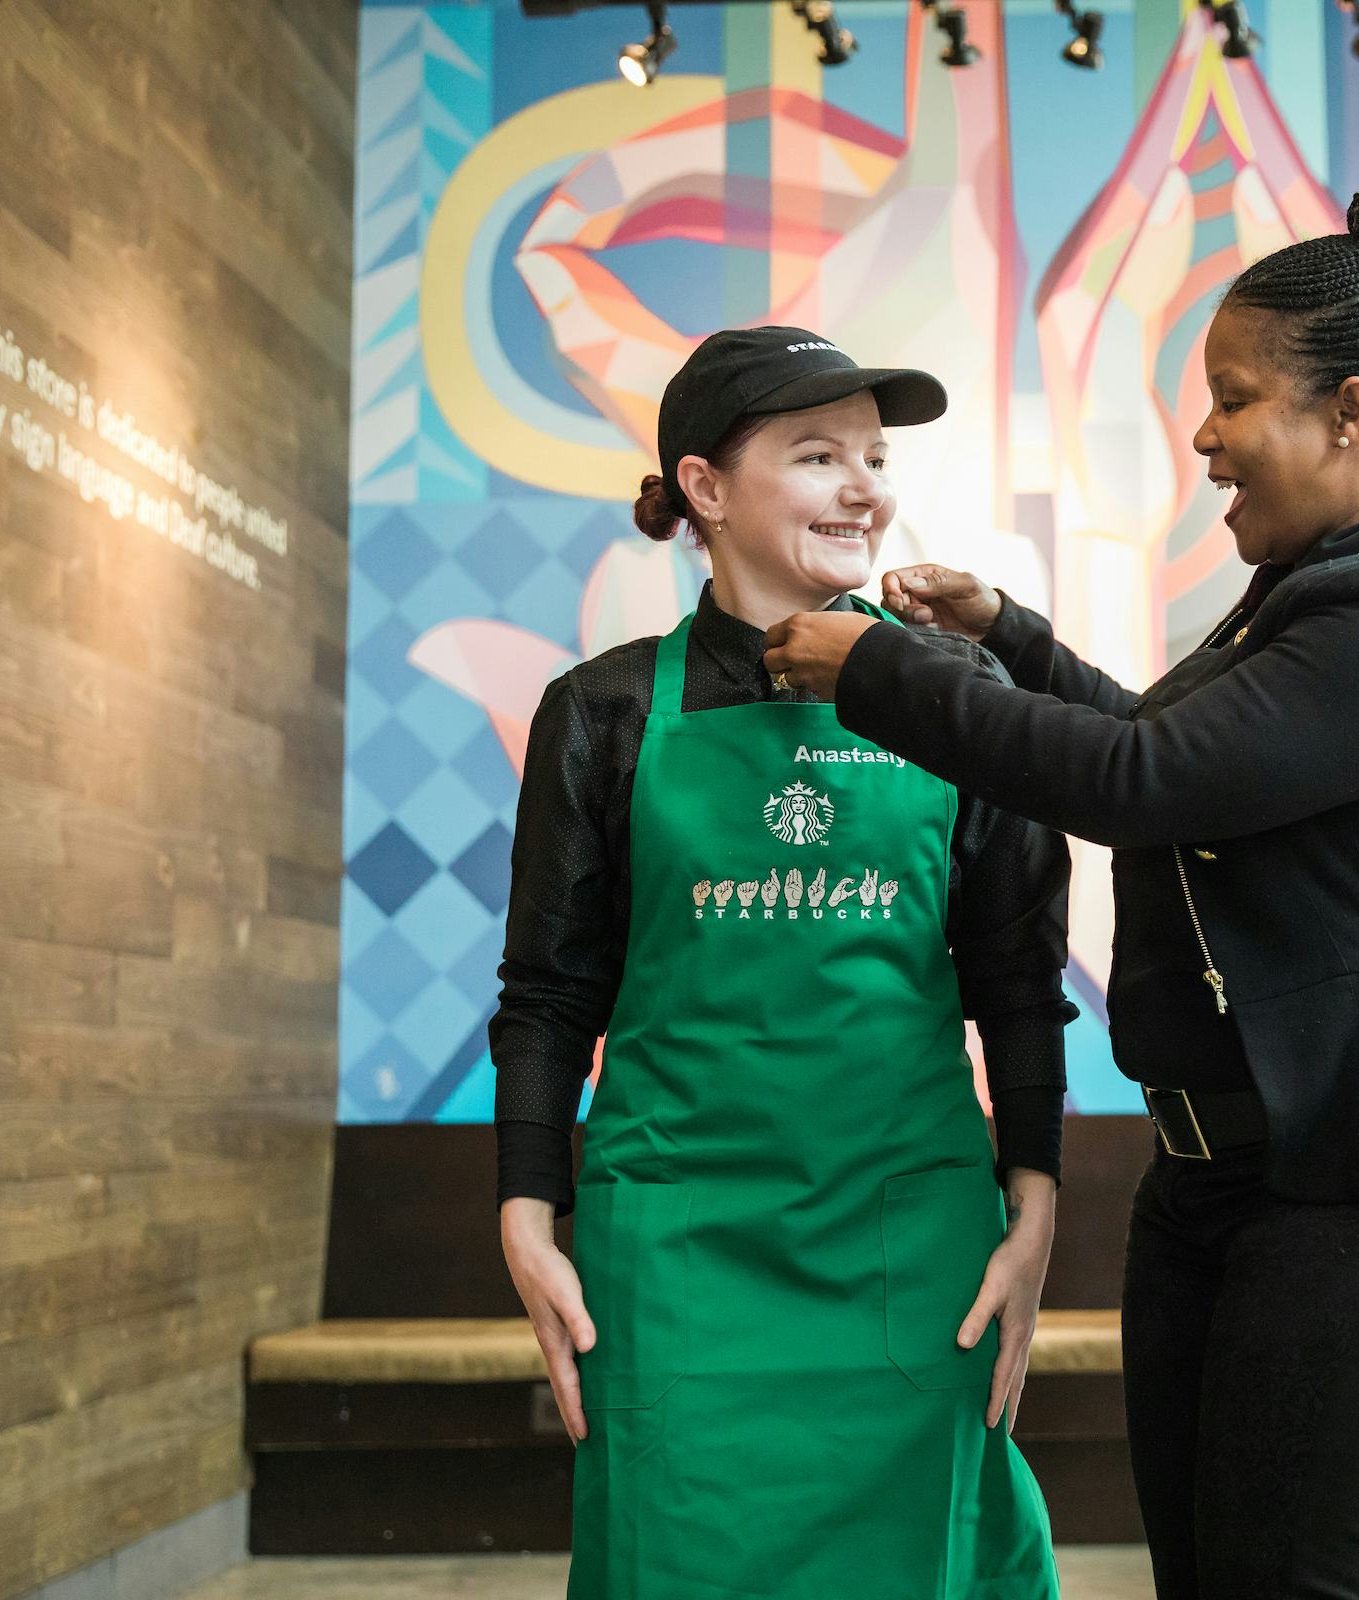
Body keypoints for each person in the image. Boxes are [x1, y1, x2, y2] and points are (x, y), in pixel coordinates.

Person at [763, 174, 1359, 1600]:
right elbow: (1172, 762)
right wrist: (1015, 640)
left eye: (1233, 399)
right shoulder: (1311, 589)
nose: (1206, 438)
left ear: (1349, 412)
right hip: (1230, 1174)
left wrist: (885, 677)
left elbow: (1140, 781)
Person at [490, 327, 1069, 1599]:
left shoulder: (962, 694)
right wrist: (528, 1208)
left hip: (907, 1247)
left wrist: (1035, 1197)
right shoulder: (605, 711)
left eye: (874, 454)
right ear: (705, 487)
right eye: (818, 455)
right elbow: (546, 994)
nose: (867, 486)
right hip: (681, 1246)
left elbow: (1018, 979)